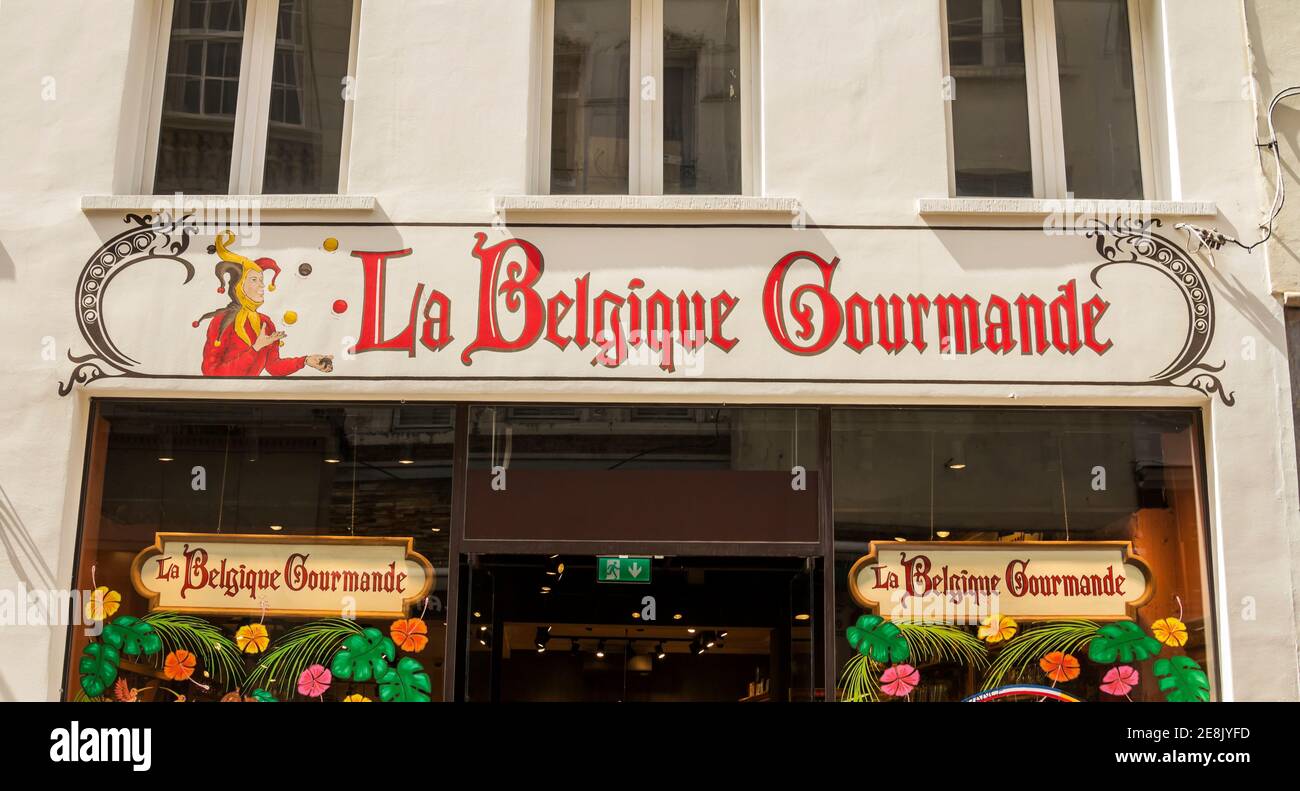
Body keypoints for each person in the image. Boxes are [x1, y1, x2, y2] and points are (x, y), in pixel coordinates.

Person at [197, 231, 332, 377]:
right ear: (238, 286)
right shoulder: (222, 321)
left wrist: (305, 361)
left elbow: (274, 367)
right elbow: (211, 372)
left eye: (262, 280)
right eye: (254, 280)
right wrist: (256, 348)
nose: (261, 286)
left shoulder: (265, 322)